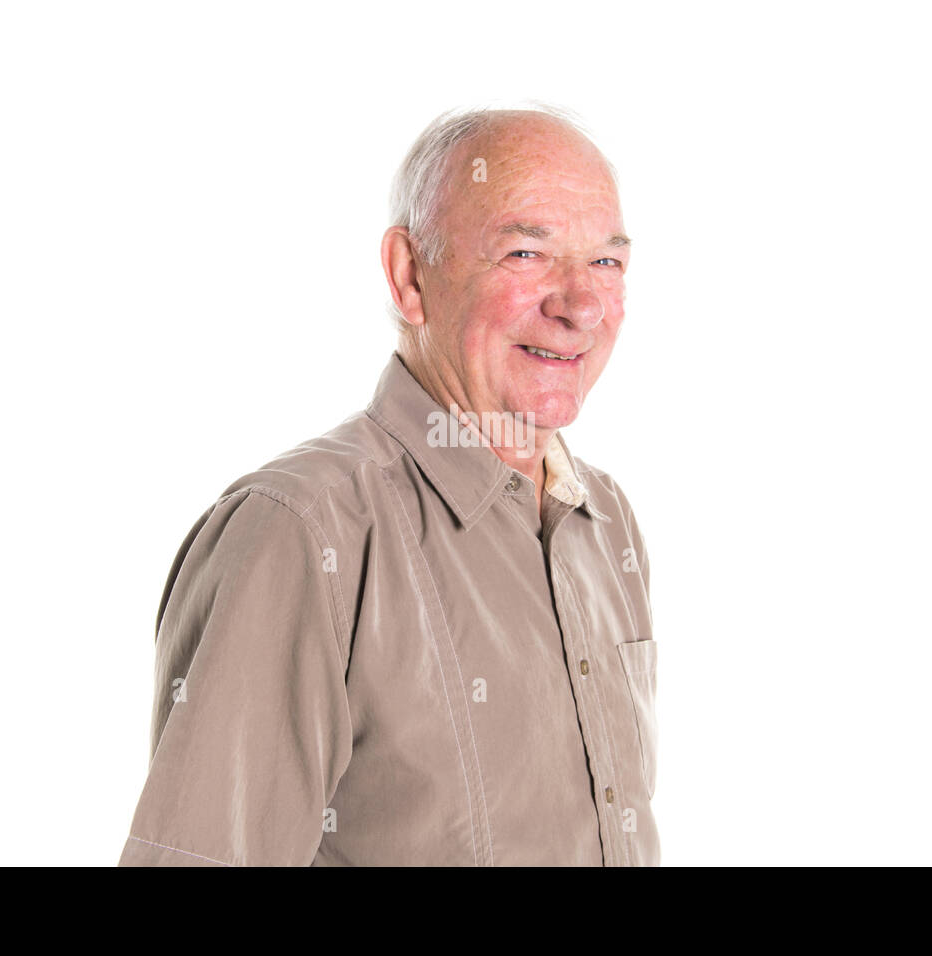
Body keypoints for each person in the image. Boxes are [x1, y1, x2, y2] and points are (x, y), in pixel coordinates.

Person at [118, 105, 659, 866]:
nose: (581, 306)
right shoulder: (302, 531)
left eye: (606, 262)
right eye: (527, 254)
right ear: (411, 277)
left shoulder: (605, 523)